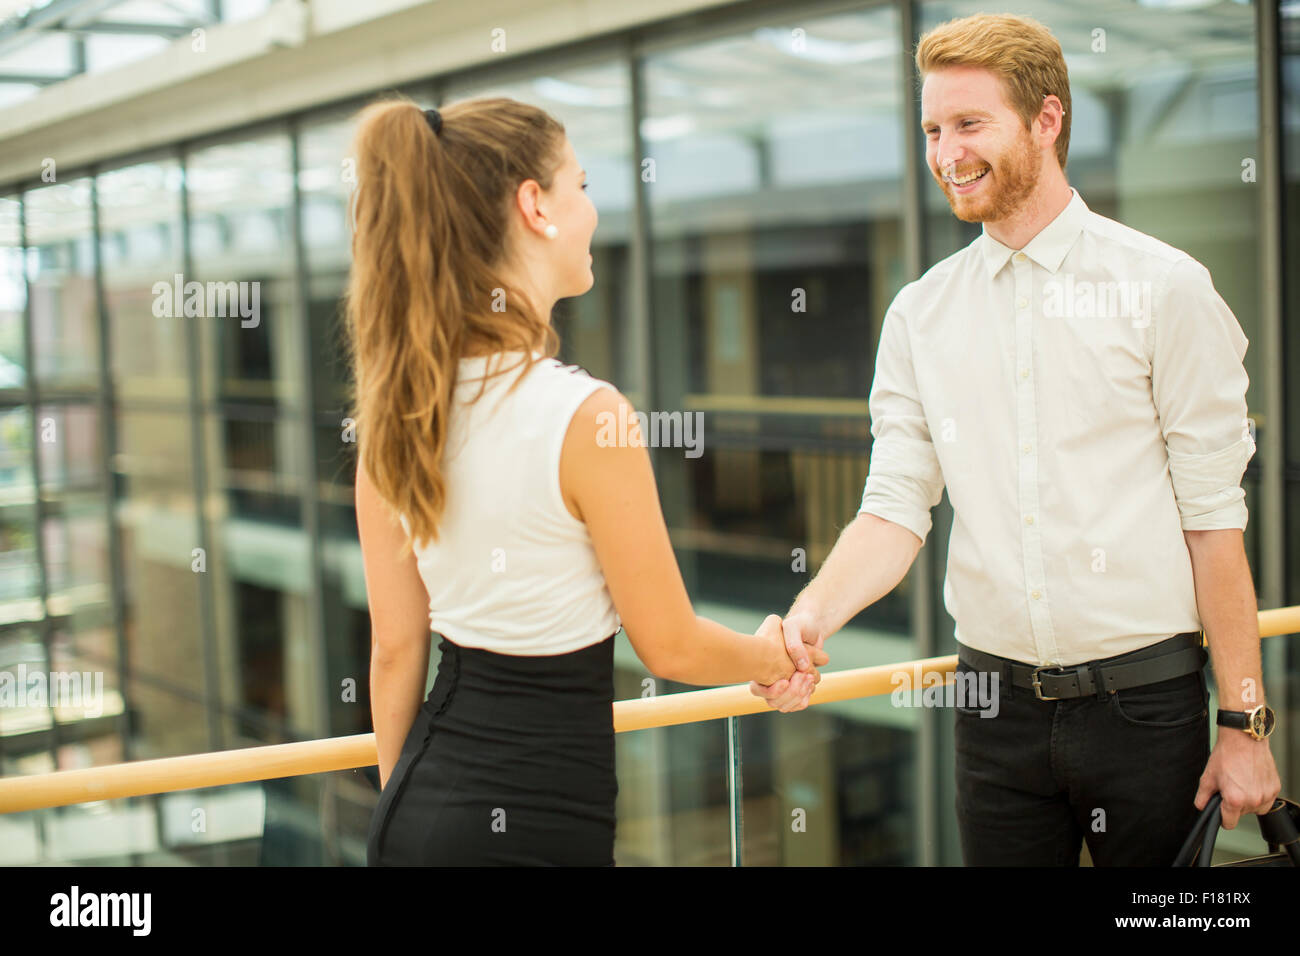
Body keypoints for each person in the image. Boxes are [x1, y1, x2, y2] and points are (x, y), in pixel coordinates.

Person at [750, 12, 1280, 865]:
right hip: (991, 708)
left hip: (1146, 707)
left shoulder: (1165, 289)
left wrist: (1244, 721)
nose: (945, 153)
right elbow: (893, 506)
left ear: (1046, 119)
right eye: (931, 128)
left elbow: (1214, 520)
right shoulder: (921, 313)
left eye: (969, 124)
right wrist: (811, 617)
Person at [347, 95, 827, 866]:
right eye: (583, 184)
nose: (592, 211)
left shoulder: (398, 420)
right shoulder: (585, 416)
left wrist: (402, 817)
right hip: (538, 828)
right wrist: (776, 658)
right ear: (533, 206)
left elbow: (397, 651)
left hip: (416, 812)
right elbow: (669, 645)